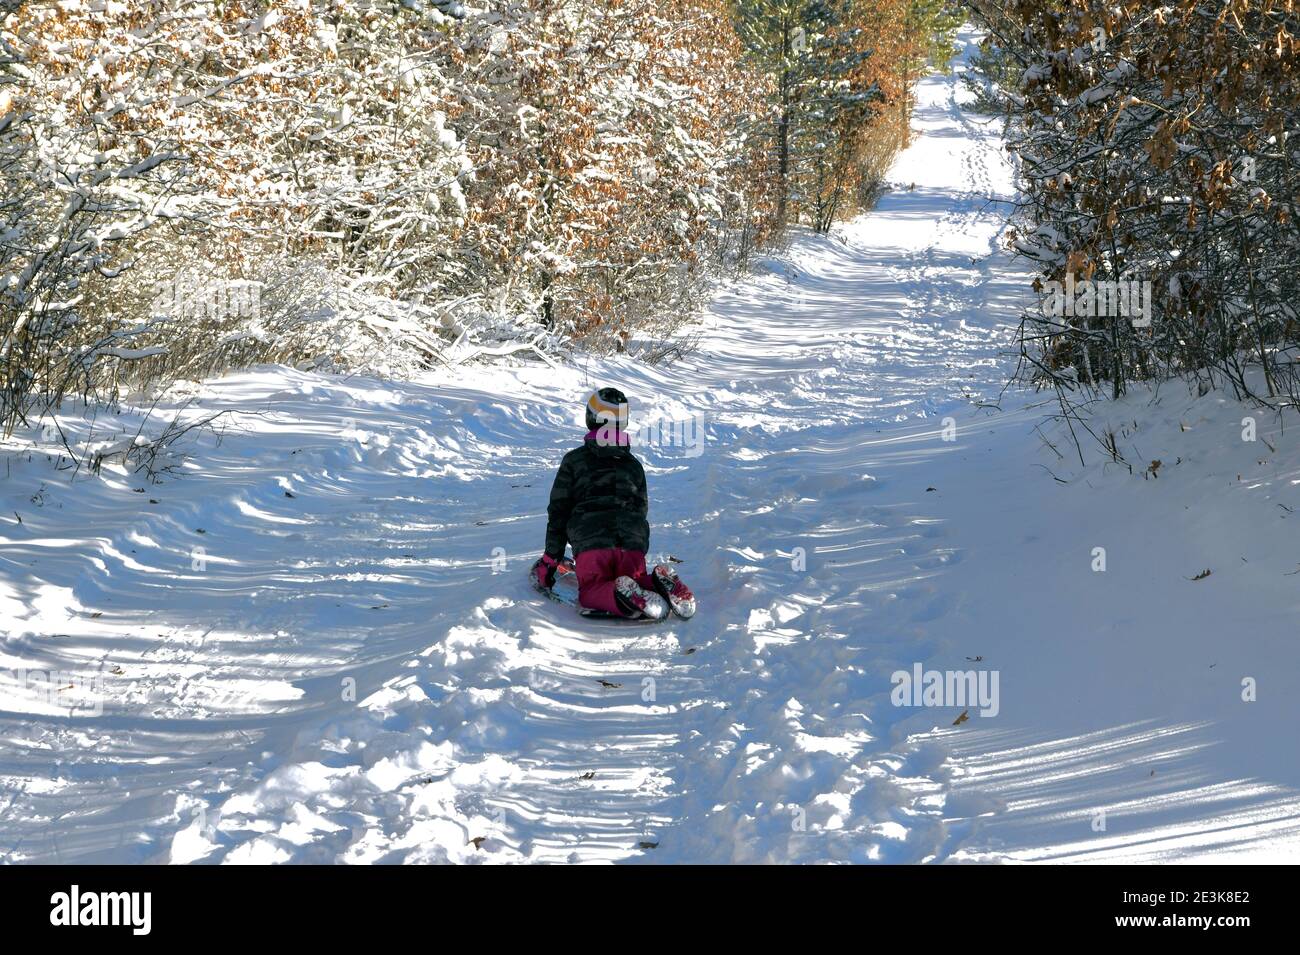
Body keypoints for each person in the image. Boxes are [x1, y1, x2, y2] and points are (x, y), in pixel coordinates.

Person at [535, 387, 695, 620]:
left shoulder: (574, 461)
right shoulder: (633, 465)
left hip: (592, 545)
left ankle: (621, 595)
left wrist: (550, 561)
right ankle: (654, 582)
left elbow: (558, 514)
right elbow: (641, 511)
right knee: (635, 580)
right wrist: (636, 544)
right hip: (631, 543)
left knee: (591, 590)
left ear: (591, 418)